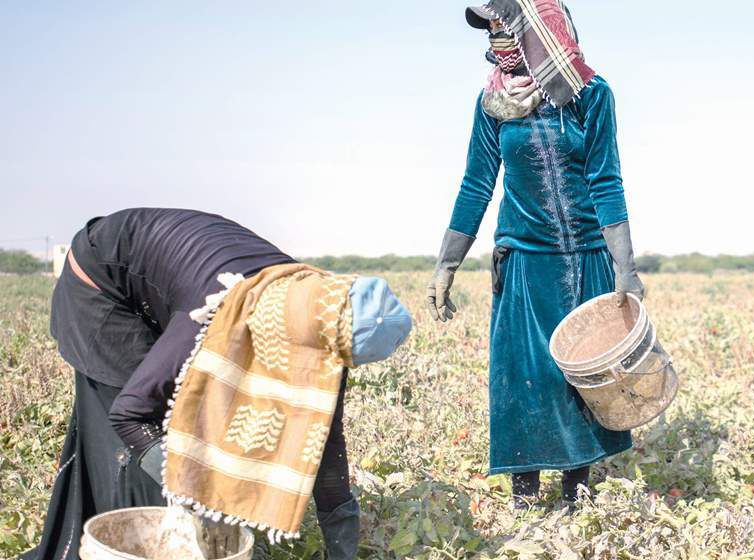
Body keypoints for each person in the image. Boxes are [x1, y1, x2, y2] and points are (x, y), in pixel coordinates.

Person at [23, 208, 411, 560]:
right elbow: (129, 415)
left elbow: (326, 439)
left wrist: (340, 546)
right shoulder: (216, 308)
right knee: (144, 441)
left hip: (166, 278)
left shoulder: (321, 312)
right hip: (101, 281)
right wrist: (195, 490)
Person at [427, 1, 646, 509]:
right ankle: (524, 502)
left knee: (582, 379)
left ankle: (576, 501)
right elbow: (476, 184)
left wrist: (626, 269)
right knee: (524, 380)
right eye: (492, 32)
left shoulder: (591, 96)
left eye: (506, 28)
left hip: (588, 260)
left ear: (540, 32)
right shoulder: (491, 104)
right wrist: (446, 265)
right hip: (524, 263)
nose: (498, 41)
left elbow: (606, 180)